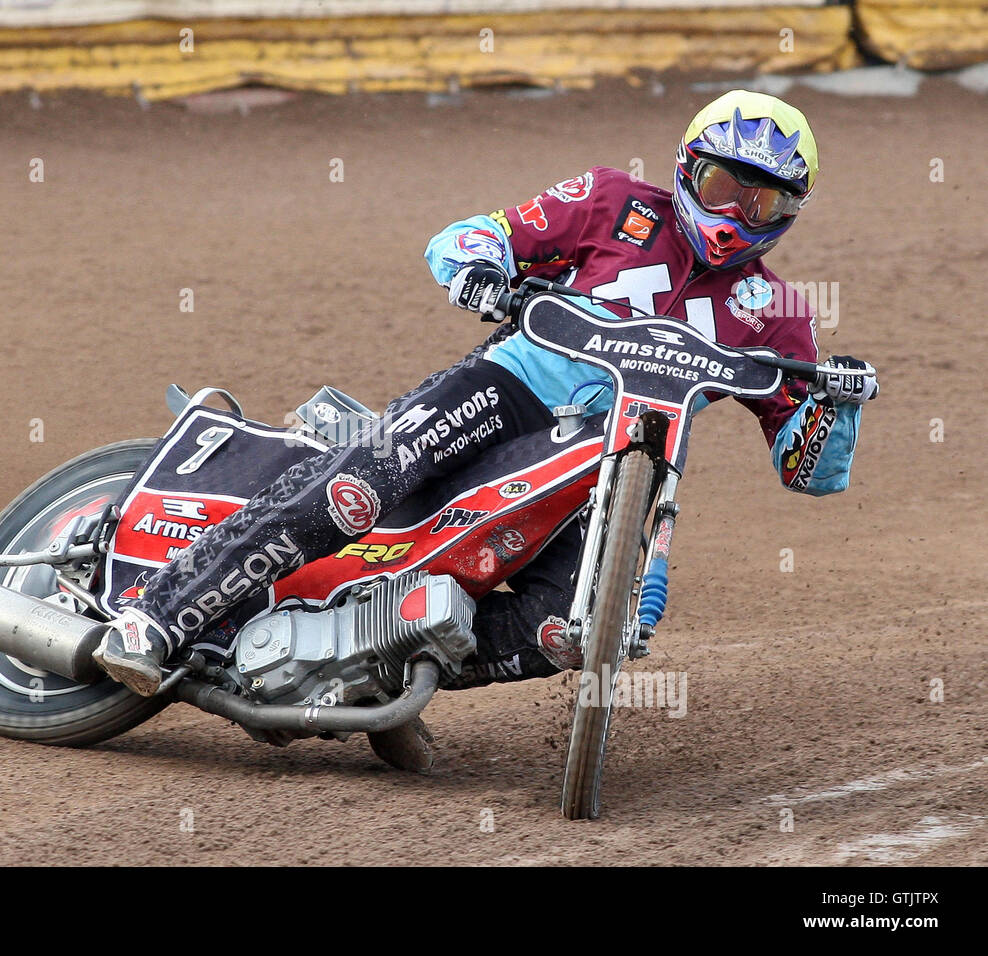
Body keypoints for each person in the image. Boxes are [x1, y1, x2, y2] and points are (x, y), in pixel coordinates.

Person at [94, 89, 878, 698]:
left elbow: (807, 467)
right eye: (724, 184)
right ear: (686, 168)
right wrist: (480, 270)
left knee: (563, 632)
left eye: (764, 202)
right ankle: (158, 615)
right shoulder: (613, 201)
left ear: (789, 212)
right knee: (353, 492)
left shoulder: (776, 313)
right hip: (509, 387)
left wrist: (836, 407)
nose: (739, 213)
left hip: (619, 466)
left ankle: (369, 671)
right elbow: (475, 234)